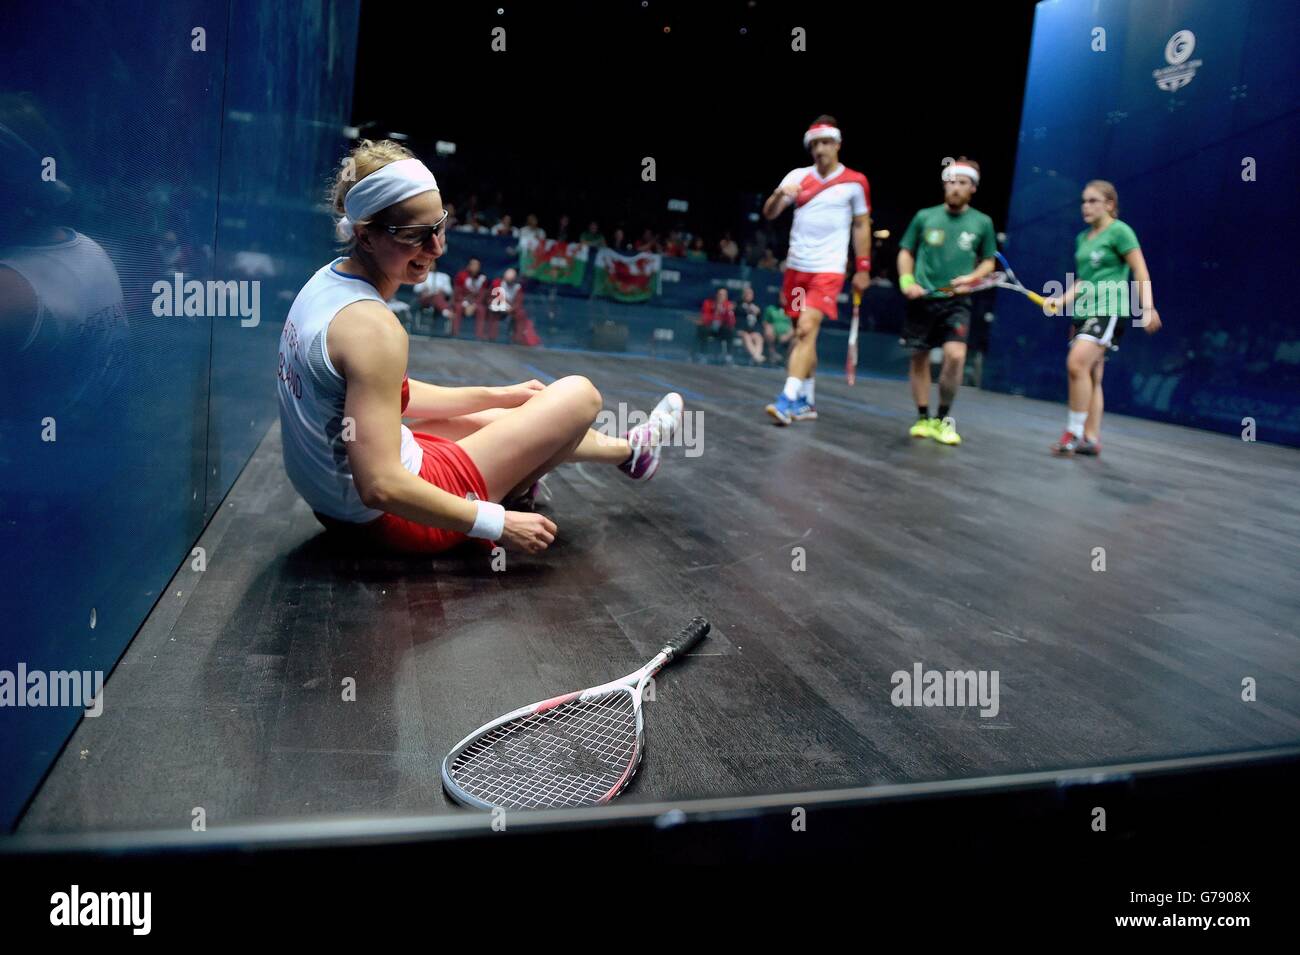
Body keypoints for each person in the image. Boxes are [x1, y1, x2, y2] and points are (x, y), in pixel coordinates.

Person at [277, 139, 685, 557]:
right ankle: (519, 485)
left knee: (504, 414)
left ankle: (630, 452)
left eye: (439, 227)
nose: (437, 248)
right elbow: (379, 485)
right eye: (417, 236)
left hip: (332, 506)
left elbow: (385, 394)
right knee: (580, 396)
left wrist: (502, 396)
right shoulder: (374, 329)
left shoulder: (325, 284)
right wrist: (495, 522)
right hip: (390, 523)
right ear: (365, 235)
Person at [762, 115, 872, 424]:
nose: (820, 148)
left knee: (807, 329)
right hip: (796, 272)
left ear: (837, 144)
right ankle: (807, 402)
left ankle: (787, 400)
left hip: (828, 271)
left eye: (825, 142)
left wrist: (863, 267)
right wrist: (781, 194)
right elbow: (769, 213)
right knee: (801, 333)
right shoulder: (797, 177)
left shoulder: (855, 182)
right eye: (814, 144)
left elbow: (862, 225)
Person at [1043, 180, 1161, 455]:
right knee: (1093, 376)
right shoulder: (1082, 239)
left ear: (1109, 204)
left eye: (1093, 201)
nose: (1086, 206)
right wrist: (1060, 300)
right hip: (1083, 311)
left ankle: (1072, 433)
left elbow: (1140, 271)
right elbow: (1084, 279)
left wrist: (1147, 308)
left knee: (1076, 364)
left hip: (1109, 310)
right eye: (1084, 201)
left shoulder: (1121, 232)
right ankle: (1091, 439)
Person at [896, 157, 997, 446]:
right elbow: (906, 252)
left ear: (972, 188)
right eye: (951, 182)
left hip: (957, 302)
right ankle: (923, 417)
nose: (954, 188)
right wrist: (907, 282)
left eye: (962, 183)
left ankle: (943, 419)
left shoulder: (982, 222)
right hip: (922, 299)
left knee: (955, 356)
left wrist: (971, 278)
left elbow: (988, 262)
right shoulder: (924, 217)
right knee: (920, 359)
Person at [693, 287, 735, 361]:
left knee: (729, 330)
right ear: (716, 295)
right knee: (703, 329)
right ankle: (702, 353)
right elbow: (705, 318)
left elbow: (731, 322)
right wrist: (715, 312)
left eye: (724, 295)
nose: (721, 297)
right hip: (710, 327)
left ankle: (728, 355)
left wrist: (727, 312)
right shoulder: (708, 303)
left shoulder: (729, 305)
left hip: (722, 329)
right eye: (720, 294)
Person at [452, 257, 488, 339]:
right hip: (462, 301)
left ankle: (479, 335)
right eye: (473, 265)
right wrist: (466, 304)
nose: (475, 267)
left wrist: (474, 305)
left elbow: (482, 295)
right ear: (468, 266)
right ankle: (455, 333)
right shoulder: (461, 276)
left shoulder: (483, 278)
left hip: (475, 303)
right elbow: (457, 292)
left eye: (477, 265)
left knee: (482, 309)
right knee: (458, 307)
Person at [736, 286, 765, 363]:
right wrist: (747, 310)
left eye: (750, 294)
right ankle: (756, 357)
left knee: (758, 337)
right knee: (746, 336)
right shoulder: (738, 305)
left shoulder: (756, 306)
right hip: (741, 330)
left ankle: (756, 356)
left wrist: (758, 312)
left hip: (753, 331)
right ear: (743, 295)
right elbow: (737, 314)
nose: (749, 295)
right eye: (747, 294)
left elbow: (760, 320)